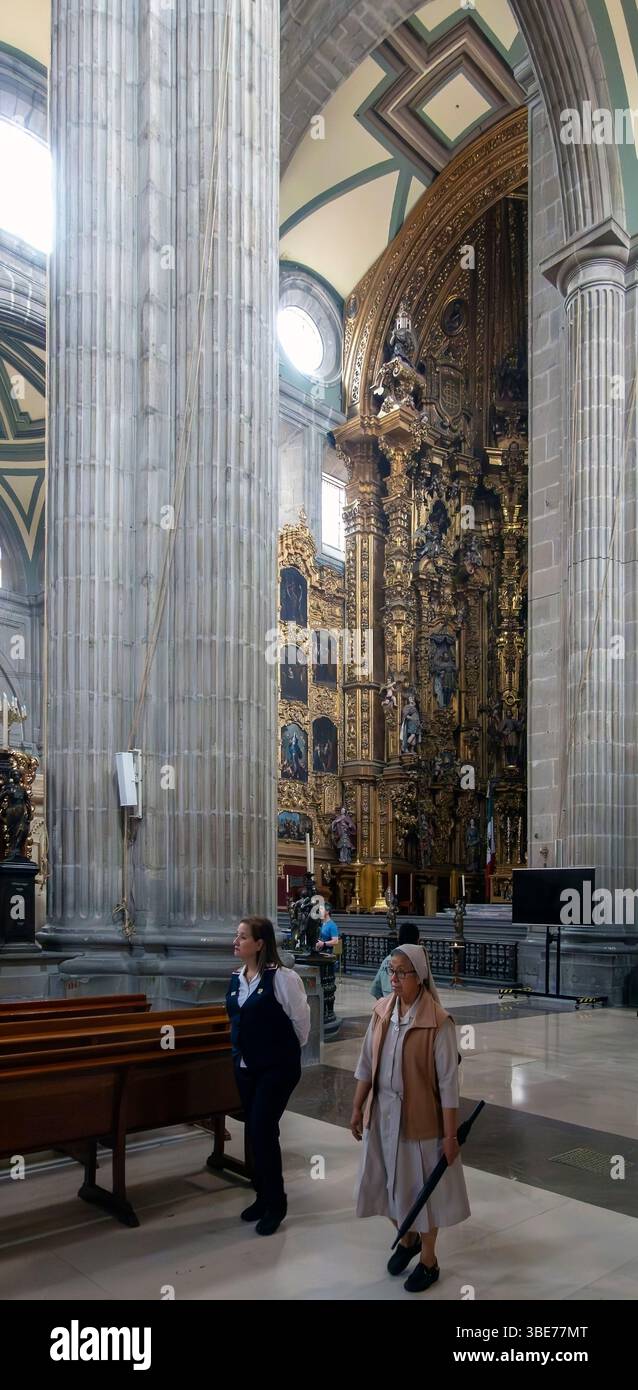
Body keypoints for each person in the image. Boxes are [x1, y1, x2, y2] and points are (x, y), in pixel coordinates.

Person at [350, 942, 470, 1293]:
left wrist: (450, 1137)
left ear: (420, 977)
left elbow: (449, 1086)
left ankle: (429, 1259)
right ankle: (407, 1240)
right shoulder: (382, 1012)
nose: (395, 979)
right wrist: (358, 1107)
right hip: (382, 1114)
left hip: (419, 1121)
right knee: (380, 1183)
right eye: (392, 971)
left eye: (402, 973)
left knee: (422, 1193)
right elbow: (366, 1065)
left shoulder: (439, 1023)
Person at [226, 916, 311, 1235]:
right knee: (256, 1131)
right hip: (247, 1068)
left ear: (260, 944)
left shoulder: (283, 979)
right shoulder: (236, 979)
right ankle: (263, 1196)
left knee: (262, 1129)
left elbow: (301, 1023)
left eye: (243, 937)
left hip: (278, 1068)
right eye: (237, 936)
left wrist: (282, 1050)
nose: (236, 941)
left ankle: (276, 1203)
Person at [370, 922, 421, 998]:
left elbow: (376, 989)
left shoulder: (388, 959)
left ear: (398, 938)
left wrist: (386, 1005)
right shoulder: (419, 962)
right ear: (418, 940)